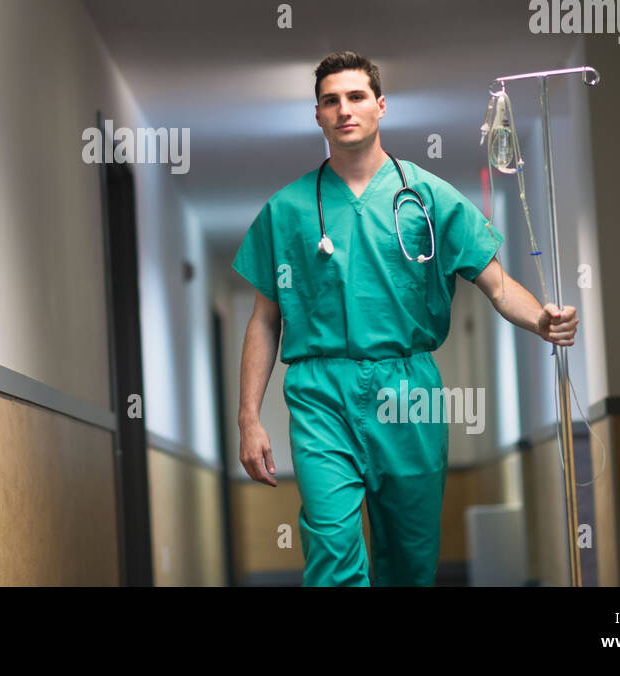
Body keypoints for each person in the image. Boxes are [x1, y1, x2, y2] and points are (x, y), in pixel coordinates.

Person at [232, 51, 579, 586]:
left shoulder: (430, 198)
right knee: (330, 548)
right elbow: (264, 320)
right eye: (330, 101)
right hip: (320, 393)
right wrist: (248, 419)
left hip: (409, 391)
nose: (344, 109)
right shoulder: (287, 210)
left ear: (381, 105)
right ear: (317, 115)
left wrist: (541, 320)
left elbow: (497, 284)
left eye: (356, 96)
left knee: (411, 558)